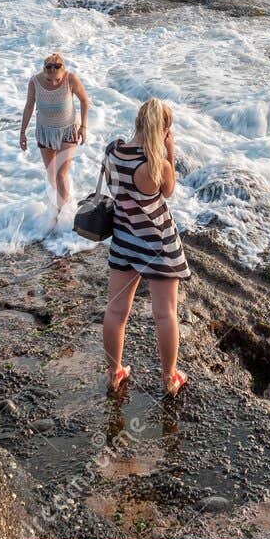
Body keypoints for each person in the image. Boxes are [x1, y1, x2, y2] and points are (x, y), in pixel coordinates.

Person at [101, 98, 189, 397]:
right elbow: (169, 191)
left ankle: (115, 373)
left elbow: (113, 186)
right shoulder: (157, 164)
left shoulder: (113, 150)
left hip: (125, 238)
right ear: (163, 130)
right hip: (159, 244)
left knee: (115, 311)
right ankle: (169, 377)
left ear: (137, 121)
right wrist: (170, 151)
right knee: (165, 314)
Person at [19, 53, 89, 215]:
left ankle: (61, 214)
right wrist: (22, 133)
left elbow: (84, 101)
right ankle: (64, 197)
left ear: (62, 72)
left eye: (57, 79)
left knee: (60, 173)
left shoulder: (70, 79)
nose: (54, 82)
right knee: (52, 174)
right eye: (49, 80)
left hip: (68, 129)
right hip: (45, 131)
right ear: (44, 72)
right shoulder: (34, 82)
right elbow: (29, 106)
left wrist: (83, 126)